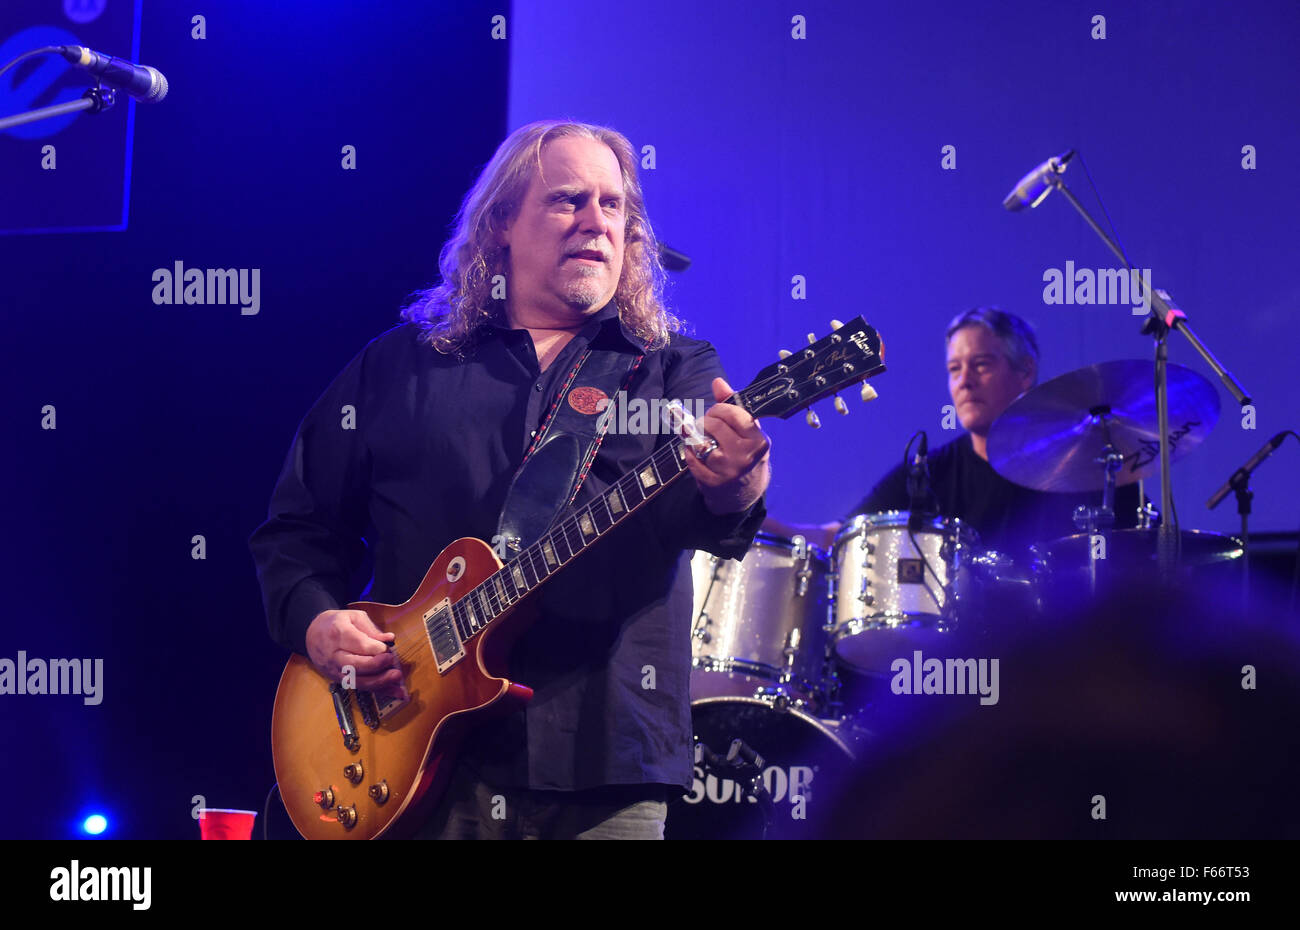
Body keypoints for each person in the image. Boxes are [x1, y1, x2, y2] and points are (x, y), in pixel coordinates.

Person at [248, 120, 771, 839]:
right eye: (568, 201)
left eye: (614, 206)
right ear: (499, 224)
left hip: (604, 762)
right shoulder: (400, 367)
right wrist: (318, 623)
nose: (597, 222)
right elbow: (298, 528)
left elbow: (711, 508)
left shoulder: (671, 369)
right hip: (414, 757)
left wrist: (738, 482)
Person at [841, 306, 1140, 555]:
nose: (964, 381)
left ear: (1025, 371)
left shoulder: (1088, 464)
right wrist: (793, 536)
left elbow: (1146, 550)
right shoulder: (929, 472)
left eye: (981, 365)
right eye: (954, 369)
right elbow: (844, 534)